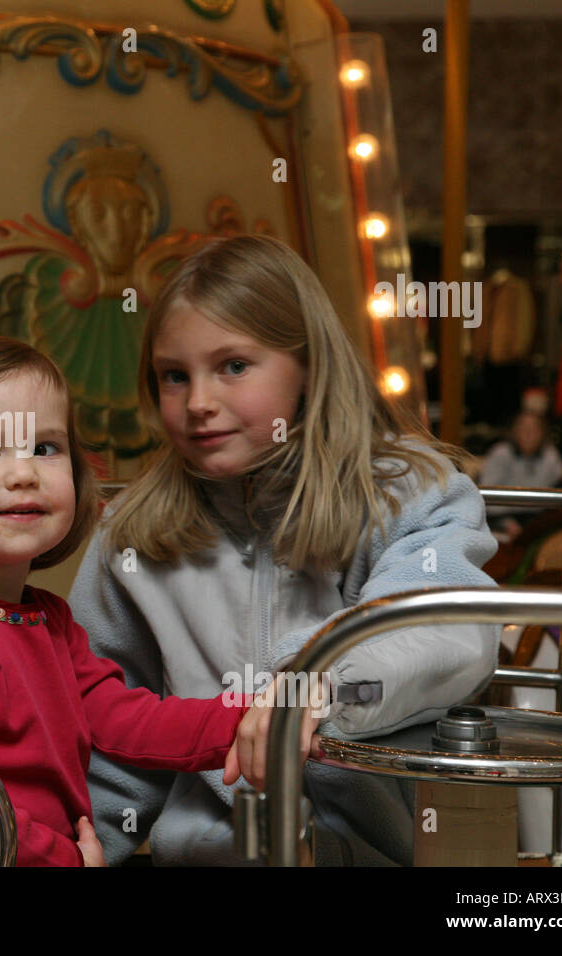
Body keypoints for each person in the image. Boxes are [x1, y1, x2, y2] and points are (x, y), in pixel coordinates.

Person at [70, 235, 502, 866]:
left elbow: (442, 631)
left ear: (307, 364)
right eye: (173, 375)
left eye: (234, 366)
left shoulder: (408, 493)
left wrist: (314, 682)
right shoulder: (132, 536)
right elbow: (112, 734)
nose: (198, 403)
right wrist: (80, 848)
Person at [0, 335, 320, 866]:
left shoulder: (44, 618)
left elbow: (124, 720)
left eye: (45, 447)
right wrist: (68, 862)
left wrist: (243, 720)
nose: (23, 472)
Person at [477, 410, 562, 542]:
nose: (528, 434)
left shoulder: (551, 456)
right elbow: (486, 497)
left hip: (539, 520)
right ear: (515, 431)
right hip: (500, 518)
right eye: (524, 429)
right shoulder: (500, 453)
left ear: (542, 433)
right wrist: (505, 522)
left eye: (534, 429)